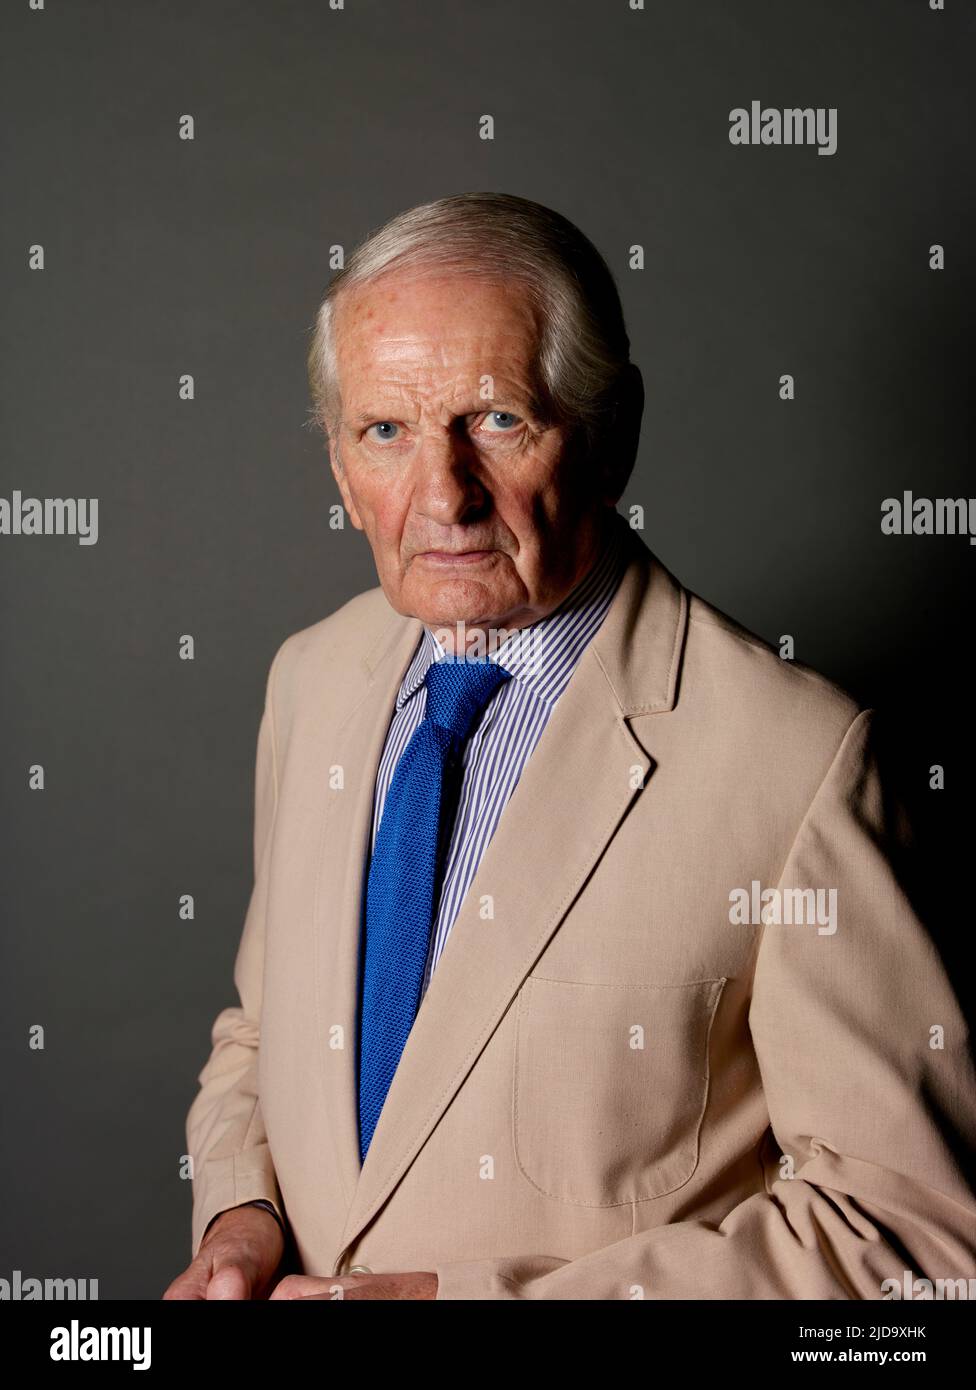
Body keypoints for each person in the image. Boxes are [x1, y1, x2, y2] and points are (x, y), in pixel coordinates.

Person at [164, 192, 976, 1301]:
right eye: (385, 432)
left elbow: (914, 1239)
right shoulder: (311, 677)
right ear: (341, 468)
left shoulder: (801, 762)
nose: (441, 495)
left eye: (498, 420)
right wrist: (241, 1213)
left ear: (612, 433)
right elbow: (262, 1034)